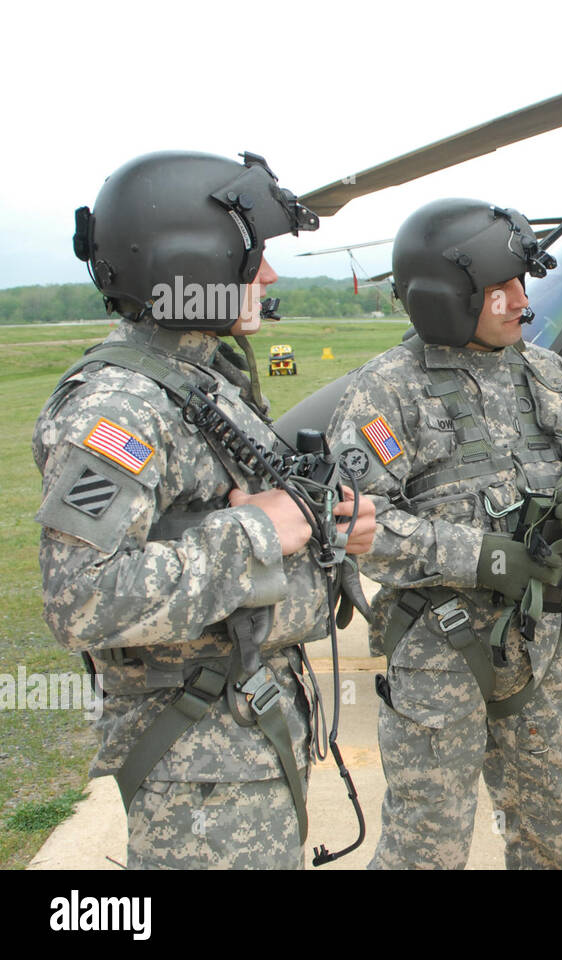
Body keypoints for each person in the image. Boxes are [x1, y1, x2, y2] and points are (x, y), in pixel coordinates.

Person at [34, 150, 376, 869]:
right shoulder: (121, 408)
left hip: (244, 740)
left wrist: (327, 533)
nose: (271, 277)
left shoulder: (199, 382)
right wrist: (260, 530)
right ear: (191, 266)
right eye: (253, 260)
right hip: (197, 768)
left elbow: (234, 533)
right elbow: (81, 598)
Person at [328, 199, 562, 869]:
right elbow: (357, 524)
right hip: (442, 649)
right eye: (499, 288)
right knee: (427, 845)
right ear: (446, 297)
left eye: (521, 284)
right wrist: (480, 557)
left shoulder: (549, 375)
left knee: (550, 830)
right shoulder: (387, 392)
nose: (520, 301)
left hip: (541, 646)